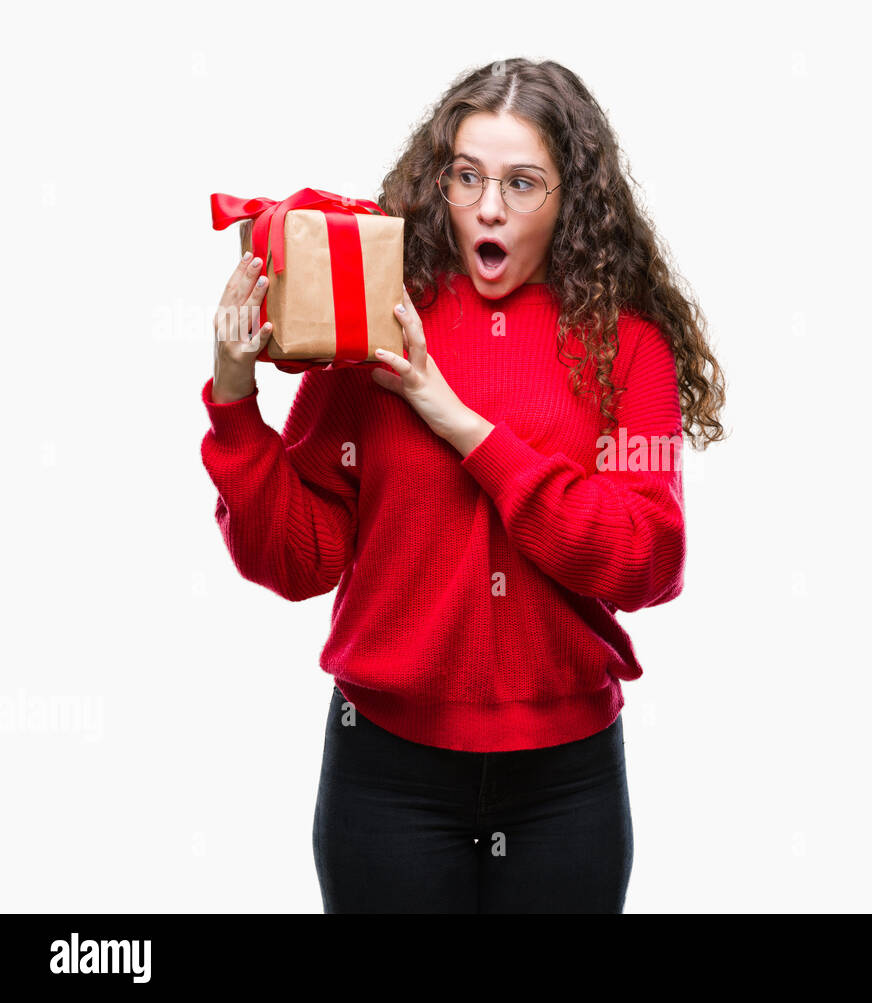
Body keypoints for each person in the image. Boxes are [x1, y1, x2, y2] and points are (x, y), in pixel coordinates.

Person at [200, 58, 727, 913]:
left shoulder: (625, 345)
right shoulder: (378, 319)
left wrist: (460, 424)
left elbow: (647, 558)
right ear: (438, 180)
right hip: (386, 778)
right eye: (468, 176)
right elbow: (298, 559)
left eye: (523, 183)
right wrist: (233, 398)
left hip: (567, 784)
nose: (489, 206)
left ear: (570, 198)